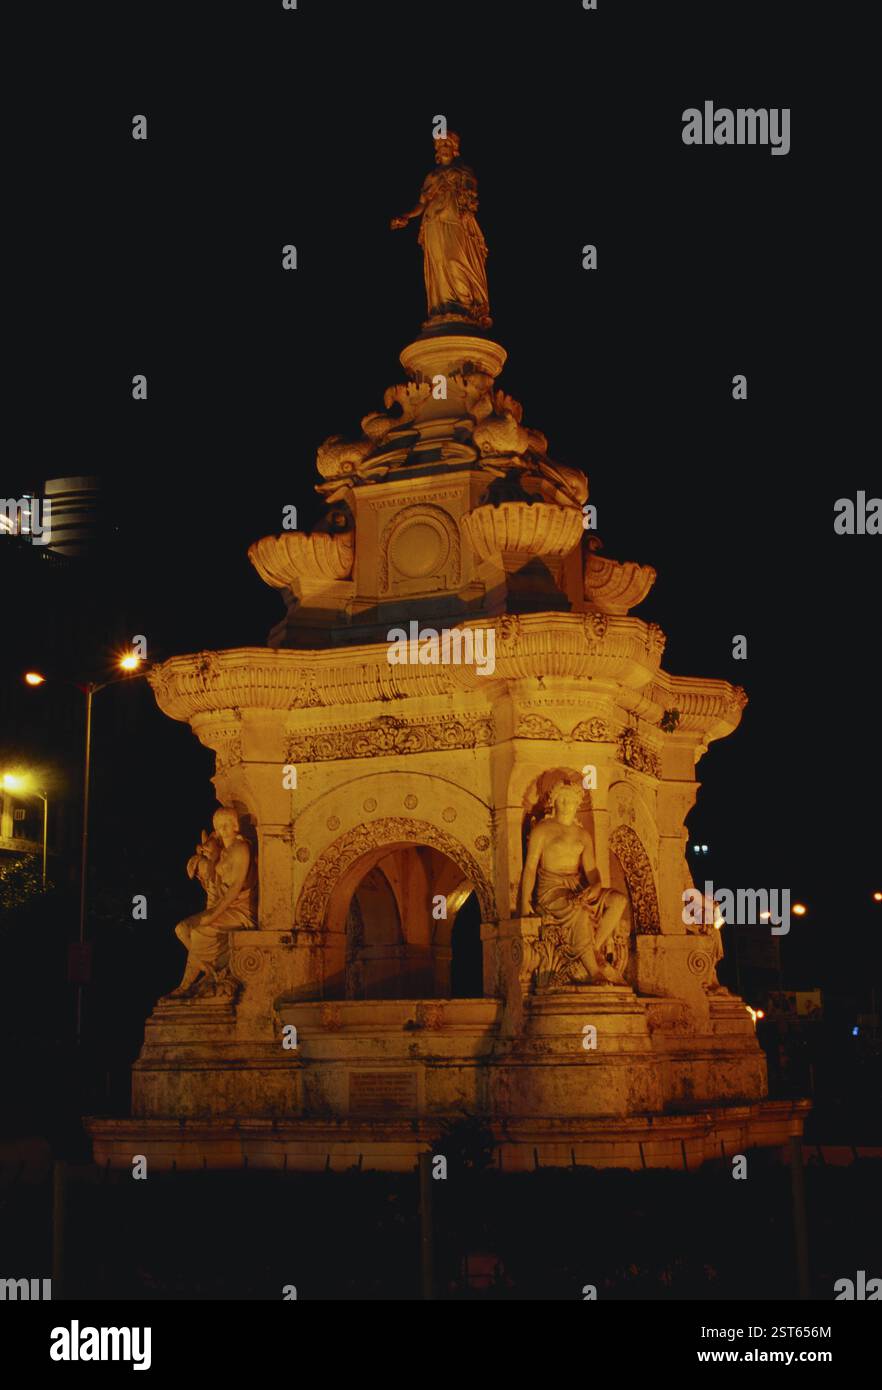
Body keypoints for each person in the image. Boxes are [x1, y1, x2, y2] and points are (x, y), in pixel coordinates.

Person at [519, 779, 627, 984]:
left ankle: (593, 948)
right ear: (554, 802)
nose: (567, 804)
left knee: (618, 901)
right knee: (579, 909)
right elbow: (531, 867)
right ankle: (594, 970)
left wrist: (595, 887)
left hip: (578, 886)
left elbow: (592, 870)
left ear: (578, 804)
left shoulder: (583, 835)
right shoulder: (542, 830)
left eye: (572, 800)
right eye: (563, 799)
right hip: (551, 889)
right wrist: (525, 901)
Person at [390, 131, 491, 326]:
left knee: (456, 260)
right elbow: (421, 203)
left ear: (454, 148)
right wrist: (407, 216)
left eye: (447, 143)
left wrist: (468, 210)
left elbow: (470, 196)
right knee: (439, 263)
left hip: (455, 222)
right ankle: (443, 307)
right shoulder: (432, 176)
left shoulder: (463, 171)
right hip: (432, 223)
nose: (444, 146)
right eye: (441, 143)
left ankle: (464, 307)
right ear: (437, 150)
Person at [167, 807, 256, 998]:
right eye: (219, 826)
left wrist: (213, 915)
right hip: (224, 906)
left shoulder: (242, 849)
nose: (223, 829)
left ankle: (187, 985)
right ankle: (209, 971)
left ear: (235, 826)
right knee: (181, 929)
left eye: (226, 825)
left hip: (239, 909)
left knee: (198, 931)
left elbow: (235, 888)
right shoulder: (222, 852)